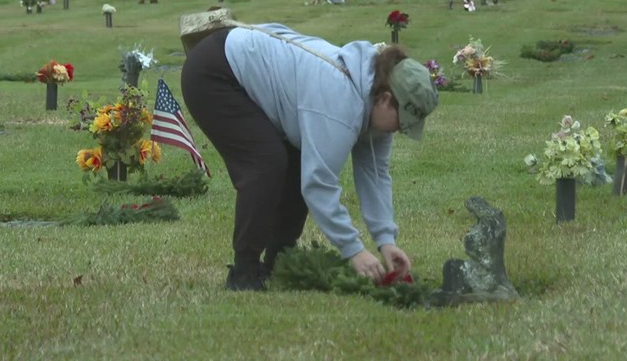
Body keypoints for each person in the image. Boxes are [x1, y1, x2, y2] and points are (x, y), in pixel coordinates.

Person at [181, 25, 439, 291]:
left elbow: (374, 174)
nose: (401, 130)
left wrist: (386, 240)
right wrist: (354, 251)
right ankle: (244, 272)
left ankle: (279, 263)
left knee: (295, 162)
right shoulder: (340, 101)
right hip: (215, 73)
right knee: (266, 164)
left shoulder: (375, 98)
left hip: (241, 69)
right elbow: (319, 184)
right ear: (386, 99)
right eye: (403, 121)